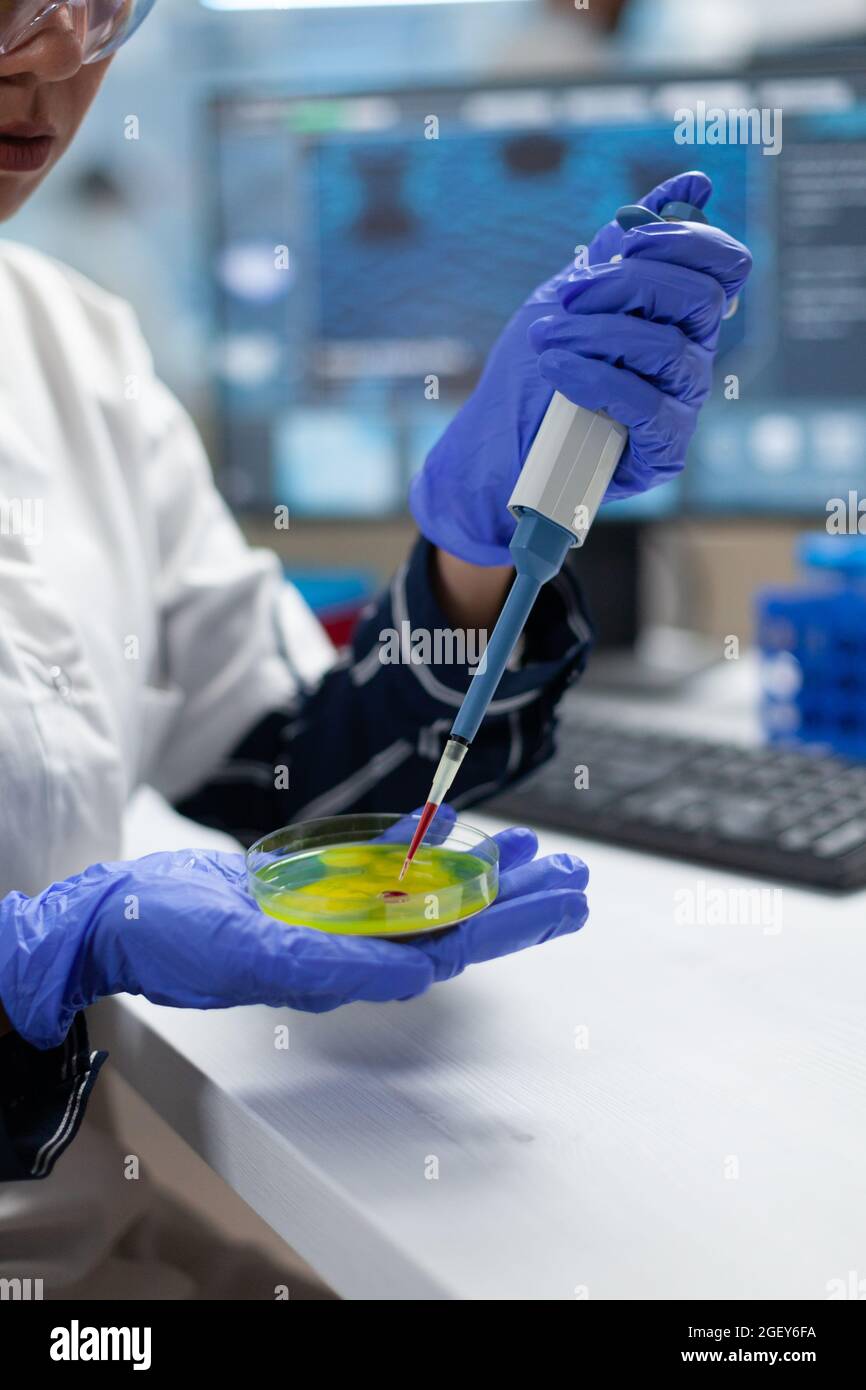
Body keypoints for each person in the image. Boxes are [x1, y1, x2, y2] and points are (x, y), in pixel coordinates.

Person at [0, 0, 750, 1296]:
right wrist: (29, 964)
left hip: (80, 1245)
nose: (60, 49)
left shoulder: (76, 350)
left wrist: (474, 553)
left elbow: (291, 779)